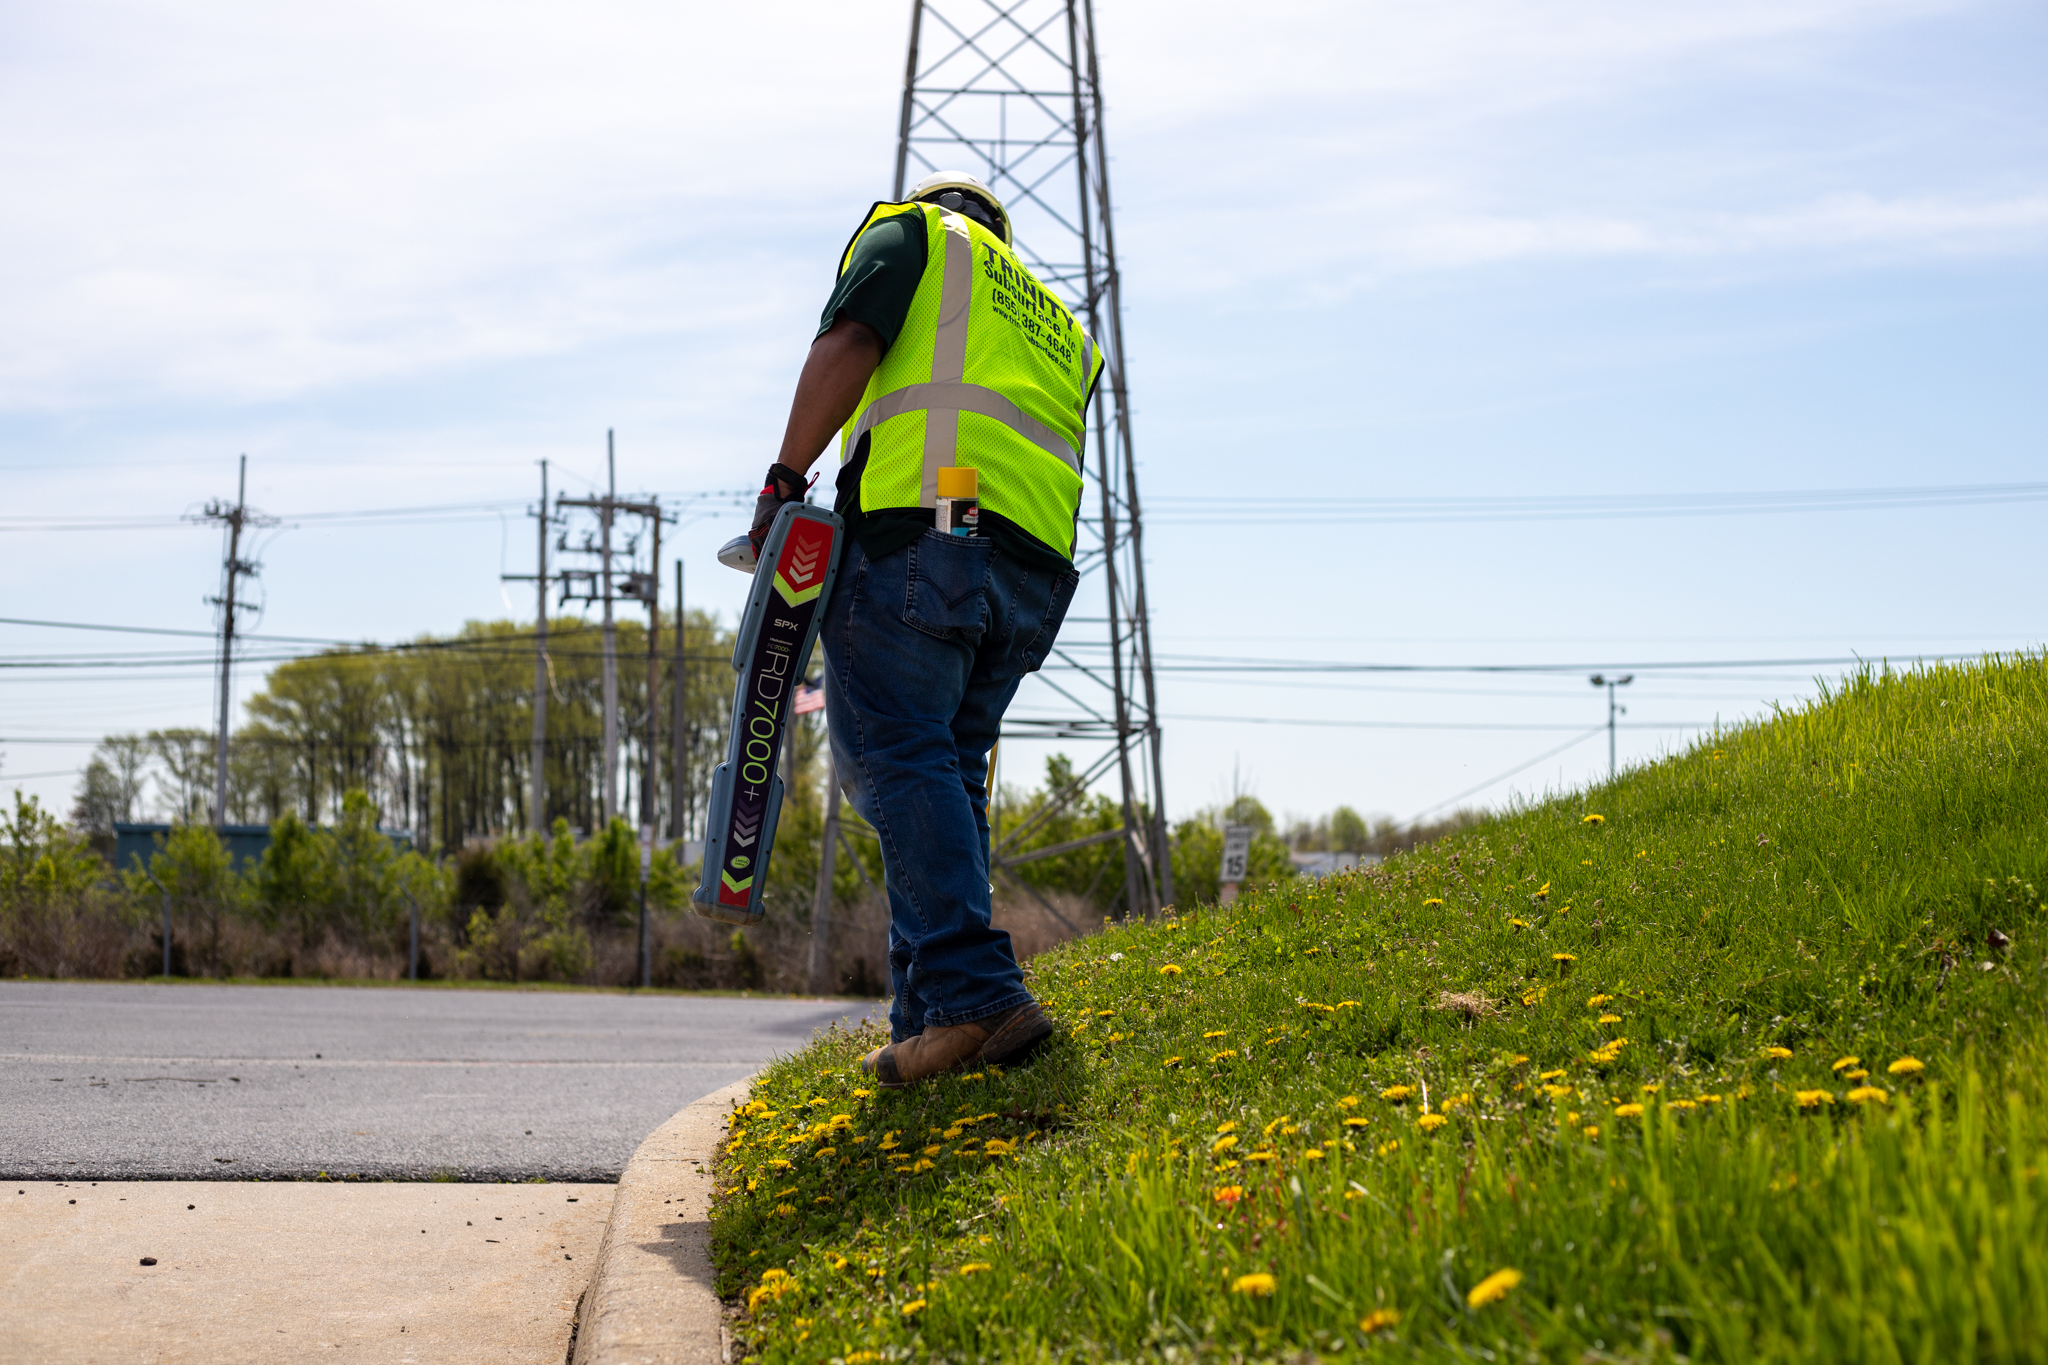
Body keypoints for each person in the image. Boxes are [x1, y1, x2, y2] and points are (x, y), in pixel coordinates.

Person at [748, 171, 1104, 1088]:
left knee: (896, 751)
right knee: (946, 769)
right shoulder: (1055, 322)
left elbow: (852, 339)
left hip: (936, 531)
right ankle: (930, 1021)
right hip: (1018, 565)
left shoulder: (916, 238)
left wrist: (785, 481)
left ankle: (976, 993)